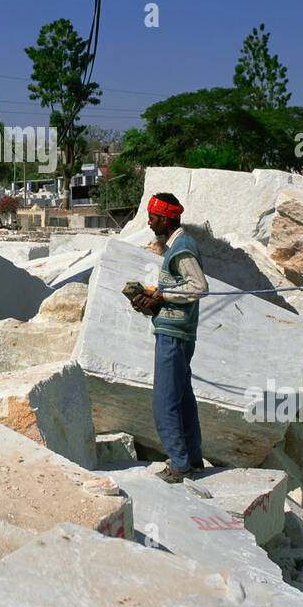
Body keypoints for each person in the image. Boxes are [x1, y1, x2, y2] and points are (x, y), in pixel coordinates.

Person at [130, 192, 206, 483]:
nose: (149, 222)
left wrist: (163, 296)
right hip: (176, 331)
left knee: (164, 403)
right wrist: (153, 302)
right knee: (183, 399)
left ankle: (178, 465)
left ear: (166, 218)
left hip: (174, 335)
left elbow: (198, 287)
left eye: (152, 217)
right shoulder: (176, 246)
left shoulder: (182, 248)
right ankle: (193, 459)